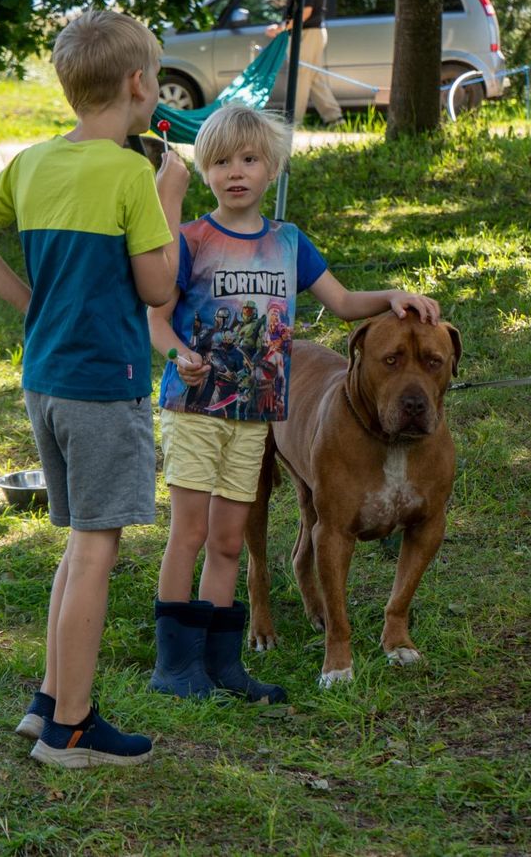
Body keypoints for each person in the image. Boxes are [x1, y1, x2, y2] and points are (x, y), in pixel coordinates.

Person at [0, 10, 188, 768]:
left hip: (45, 382)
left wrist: (29, 302)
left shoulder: (32, 163)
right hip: (104, 386)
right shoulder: (130, 174)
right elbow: (158, 286)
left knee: (79, 543)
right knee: (95, 551)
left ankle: (48, 696)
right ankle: (72, 728)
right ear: (139, 84)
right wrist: (169, 195)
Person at [146, 103, 438, 702]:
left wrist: (393, 295)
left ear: (272, 169)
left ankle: (223, 663)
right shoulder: (192, 239)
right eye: (222, 161)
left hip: (259, 413)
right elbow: (155, 316)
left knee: (231, 539)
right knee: (190, 534)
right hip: (196, 409)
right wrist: (178, 352)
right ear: (205, 170)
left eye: (249, 160)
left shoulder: (288, 242)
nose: (236, 172)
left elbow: (344, 301)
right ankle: (176, 664)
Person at [264, 0, 344, 129]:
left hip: (308, 34)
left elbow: (305, 12)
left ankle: (291, 122)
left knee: (299, 75)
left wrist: (281, 28)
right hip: (310, 33)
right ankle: (335, 119)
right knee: (314, 77)